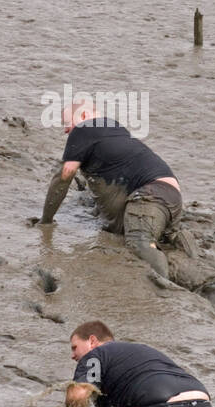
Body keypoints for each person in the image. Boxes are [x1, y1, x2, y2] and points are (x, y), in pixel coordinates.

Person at [39, 95, 182, 278]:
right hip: (171, 198)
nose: (66, 130)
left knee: (139, 242)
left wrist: (46, 221)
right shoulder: (113, 130)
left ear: (83, 115)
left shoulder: (85, 128)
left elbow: (65, 175)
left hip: (151, 195)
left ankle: (165, 293)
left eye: (67, 123)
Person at [65, 320, 215, 407]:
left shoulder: (96, 354)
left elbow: (78, 396)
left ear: (92, 341)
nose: (73, 355)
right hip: (204, 406)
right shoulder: (140, 350)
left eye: (74, 347)